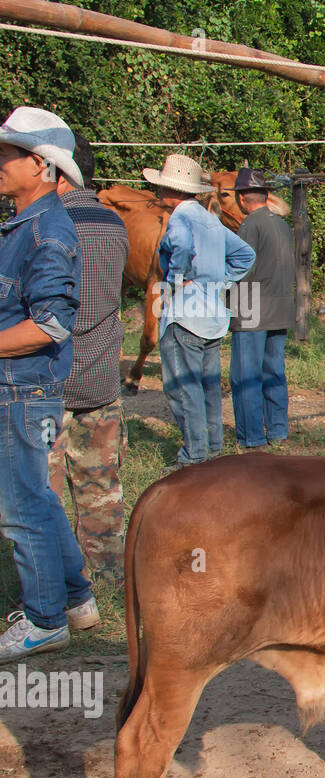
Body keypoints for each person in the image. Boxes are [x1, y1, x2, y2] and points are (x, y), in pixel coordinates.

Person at [0, 107, 97, 662]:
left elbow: (51, 322)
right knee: (36, 496)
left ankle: (43, 621)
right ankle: (78, 599)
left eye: (8, 154)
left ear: (39, 164)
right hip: (24, 385)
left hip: (20, 386)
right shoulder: (26, 223)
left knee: (19, 507)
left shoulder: (47, 230)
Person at [50, 132, 129, 587]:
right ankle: (106, 575)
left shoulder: (45, 224)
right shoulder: (114, 222)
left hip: (51, 378)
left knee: (42, 491)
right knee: (100, 485)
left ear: (58, 173)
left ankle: (56, 582)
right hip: (100, 378)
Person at [147, 153, 255, 468]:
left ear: (171, 190)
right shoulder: (210, 218)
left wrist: (177, 280)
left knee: (182, 386)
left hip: (185, 315)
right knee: (208, 386)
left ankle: (193, 457)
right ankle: (212, 452)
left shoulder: (180, 217)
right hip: (212, 317)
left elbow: (179, 245)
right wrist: (219, 280)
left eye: (161, 187)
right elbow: (245, 255)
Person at [229, 168, 293, 451]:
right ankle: (278, 429)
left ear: (242, 198)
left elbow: (243, 268)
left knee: (246, 375)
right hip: (279, 305)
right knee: (274, 370)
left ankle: (252, 437)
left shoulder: (250, 225)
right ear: (266, 194)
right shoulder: (280, 223)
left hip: (251, 307)